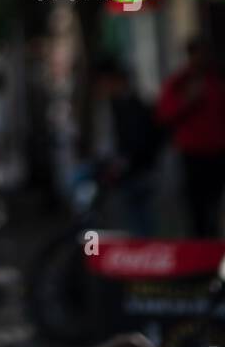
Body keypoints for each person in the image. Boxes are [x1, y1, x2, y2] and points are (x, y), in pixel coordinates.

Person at [156, 38, 225, 237]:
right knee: (196, 204)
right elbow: (164, 115)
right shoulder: (179, 83)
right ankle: (199, 242)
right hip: (192, 152)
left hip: (217, 150)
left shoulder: (216, 81)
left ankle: (213, 239)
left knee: (215, 201)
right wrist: (188, 101)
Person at [93, 58, 162, 235]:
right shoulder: (122, 105)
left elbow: (137, 140)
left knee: (138, 224)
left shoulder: (130, 106)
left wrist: (122, 163)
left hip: (135, 172)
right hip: (134, 170)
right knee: (139, 221)